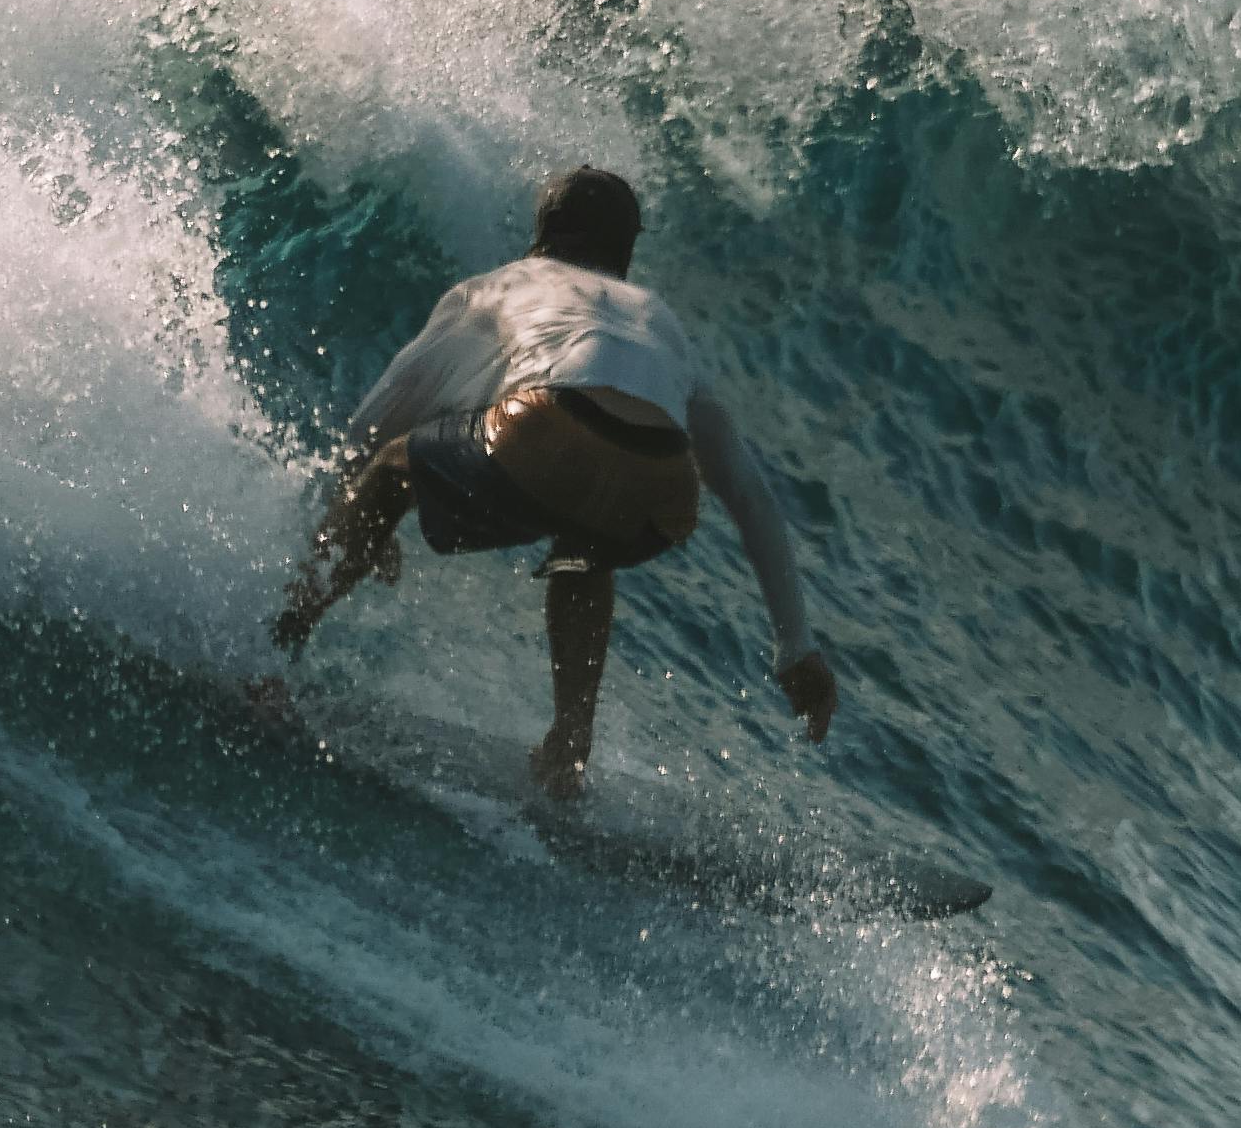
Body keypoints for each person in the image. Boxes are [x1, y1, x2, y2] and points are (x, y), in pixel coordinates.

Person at [271, 165, 839, 799]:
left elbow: (369, 426)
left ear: (542, 231)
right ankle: (568, 750)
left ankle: (277, 651)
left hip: (548, 429)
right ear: (626, 250)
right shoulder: (658, 319)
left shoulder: (499, 286)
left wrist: (365, 517)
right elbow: (749, 494)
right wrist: (795, 645)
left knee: (392, 464)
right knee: (587, 546)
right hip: (663, 485)